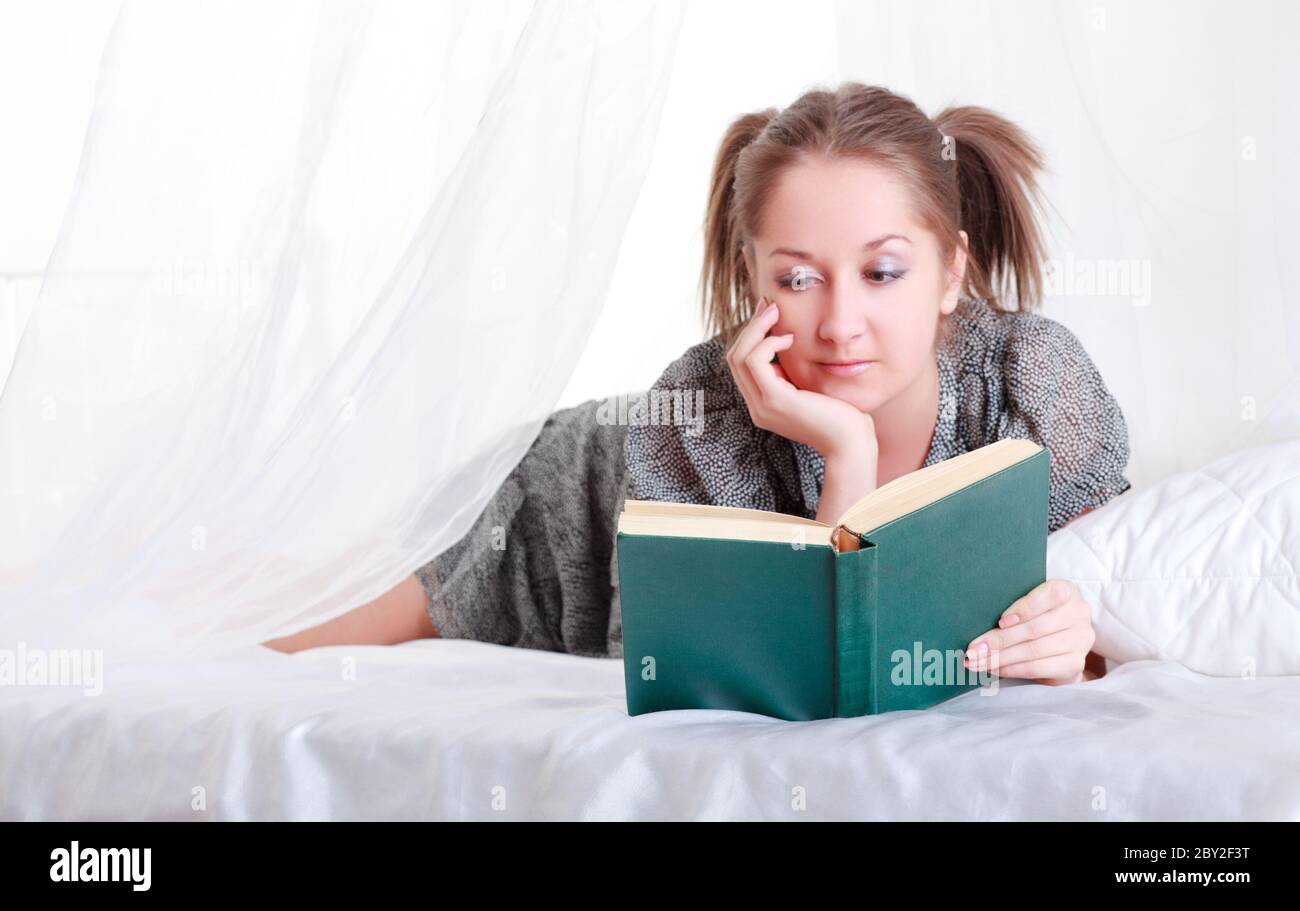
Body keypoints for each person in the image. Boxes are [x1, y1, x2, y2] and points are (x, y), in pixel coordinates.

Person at [265, 82, 1131, 686]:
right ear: (752, 278)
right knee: (273, 639)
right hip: (561, 502)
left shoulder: (1033, 386)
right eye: (798, 279)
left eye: (883, 272)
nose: (838, 323)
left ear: (950, 275)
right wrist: (847, 450)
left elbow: (1094, 613)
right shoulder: (700, 414)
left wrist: (1072, 640)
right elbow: (802, 670)